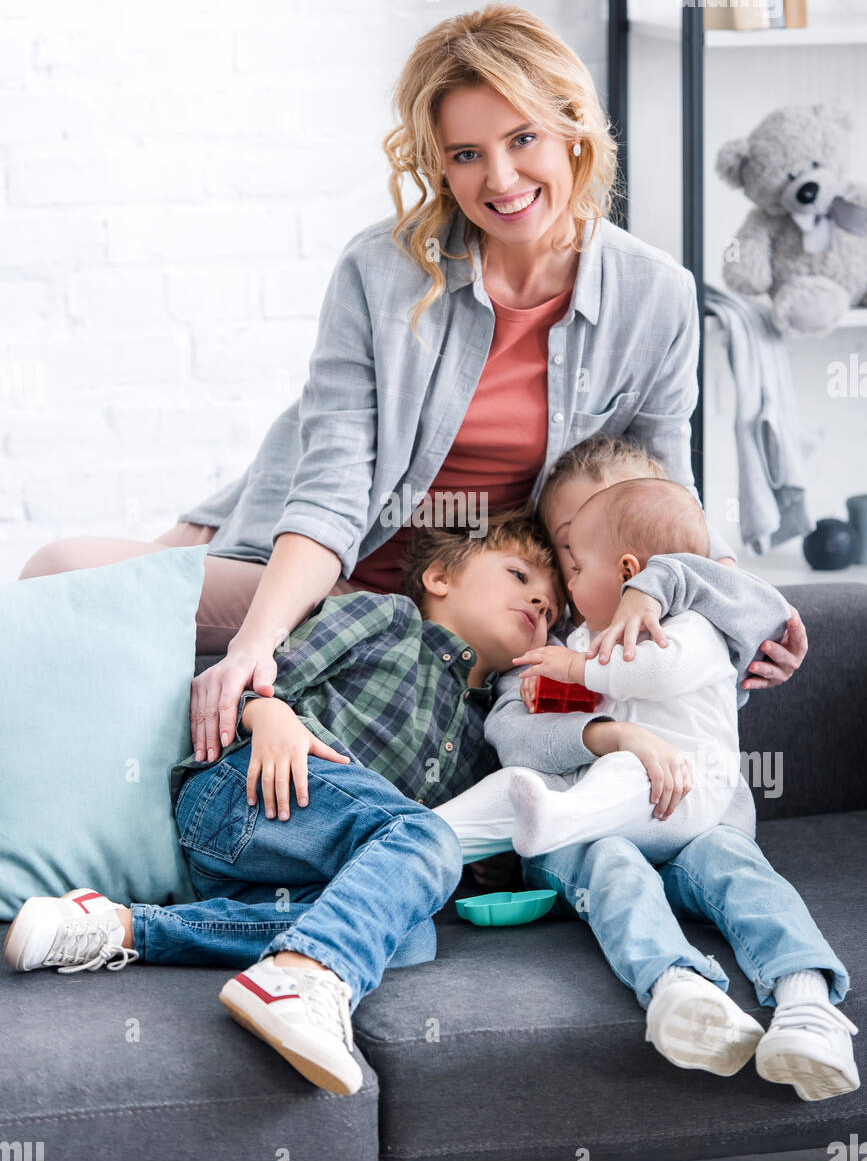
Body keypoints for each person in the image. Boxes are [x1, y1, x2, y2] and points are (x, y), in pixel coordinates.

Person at [17, 3, 807, 776]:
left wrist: (740, 602)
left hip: (458, 603)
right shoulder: (381, 272)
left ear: (572, 130)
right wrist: (255, 643)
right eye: (465, 154)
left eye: (522, 138)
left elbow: (663, 492)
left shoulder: (655, 294)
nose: (500, 179)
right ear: (437, 165)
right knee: (62, 573)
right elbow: (329, 493)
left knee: (112, 606)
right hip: (329, 564)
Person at [4, 510, 565, 1099]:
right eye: (519, 575)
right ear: (440, 578)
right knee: (426, 835)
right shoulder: (385, 618)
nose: (539, 603)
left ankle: (117, 927)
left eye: (552, 610)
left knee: (411, 936)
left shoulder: (489, 728)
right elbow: (259, 675)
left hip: (285, 874)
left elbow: (443, 858)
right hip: (243, 795)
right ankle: (298, 979)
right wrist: (268, 712)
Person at [464, 434, 859, 1102]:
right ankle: (676, 988)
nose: (616, 557)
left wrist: (661, 588)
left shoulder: (702, 627)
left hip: (696, 829)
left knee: (737, 868)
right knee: (611, 860)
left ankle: (807, 1006)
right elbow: (511, 733)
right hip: (588, 834)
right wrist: (605, 734)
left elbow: (756, 607)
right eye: (575, 541)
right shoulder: (551, 642)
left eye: (632, 529)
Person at [436, 474, 772, 864]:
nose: (570, 585)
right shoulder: (586, 637)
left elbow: (656, 673)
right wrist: (548, 688)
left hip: (681, 792)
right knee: (518, 783)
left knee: (626, 769)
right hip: (595, 782)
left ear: (627, 573)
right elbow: (589, 696)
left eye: (579, 568)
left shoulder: (694, 626)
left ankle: (559, 818)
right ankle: (428, 832)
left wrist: (576, 668)